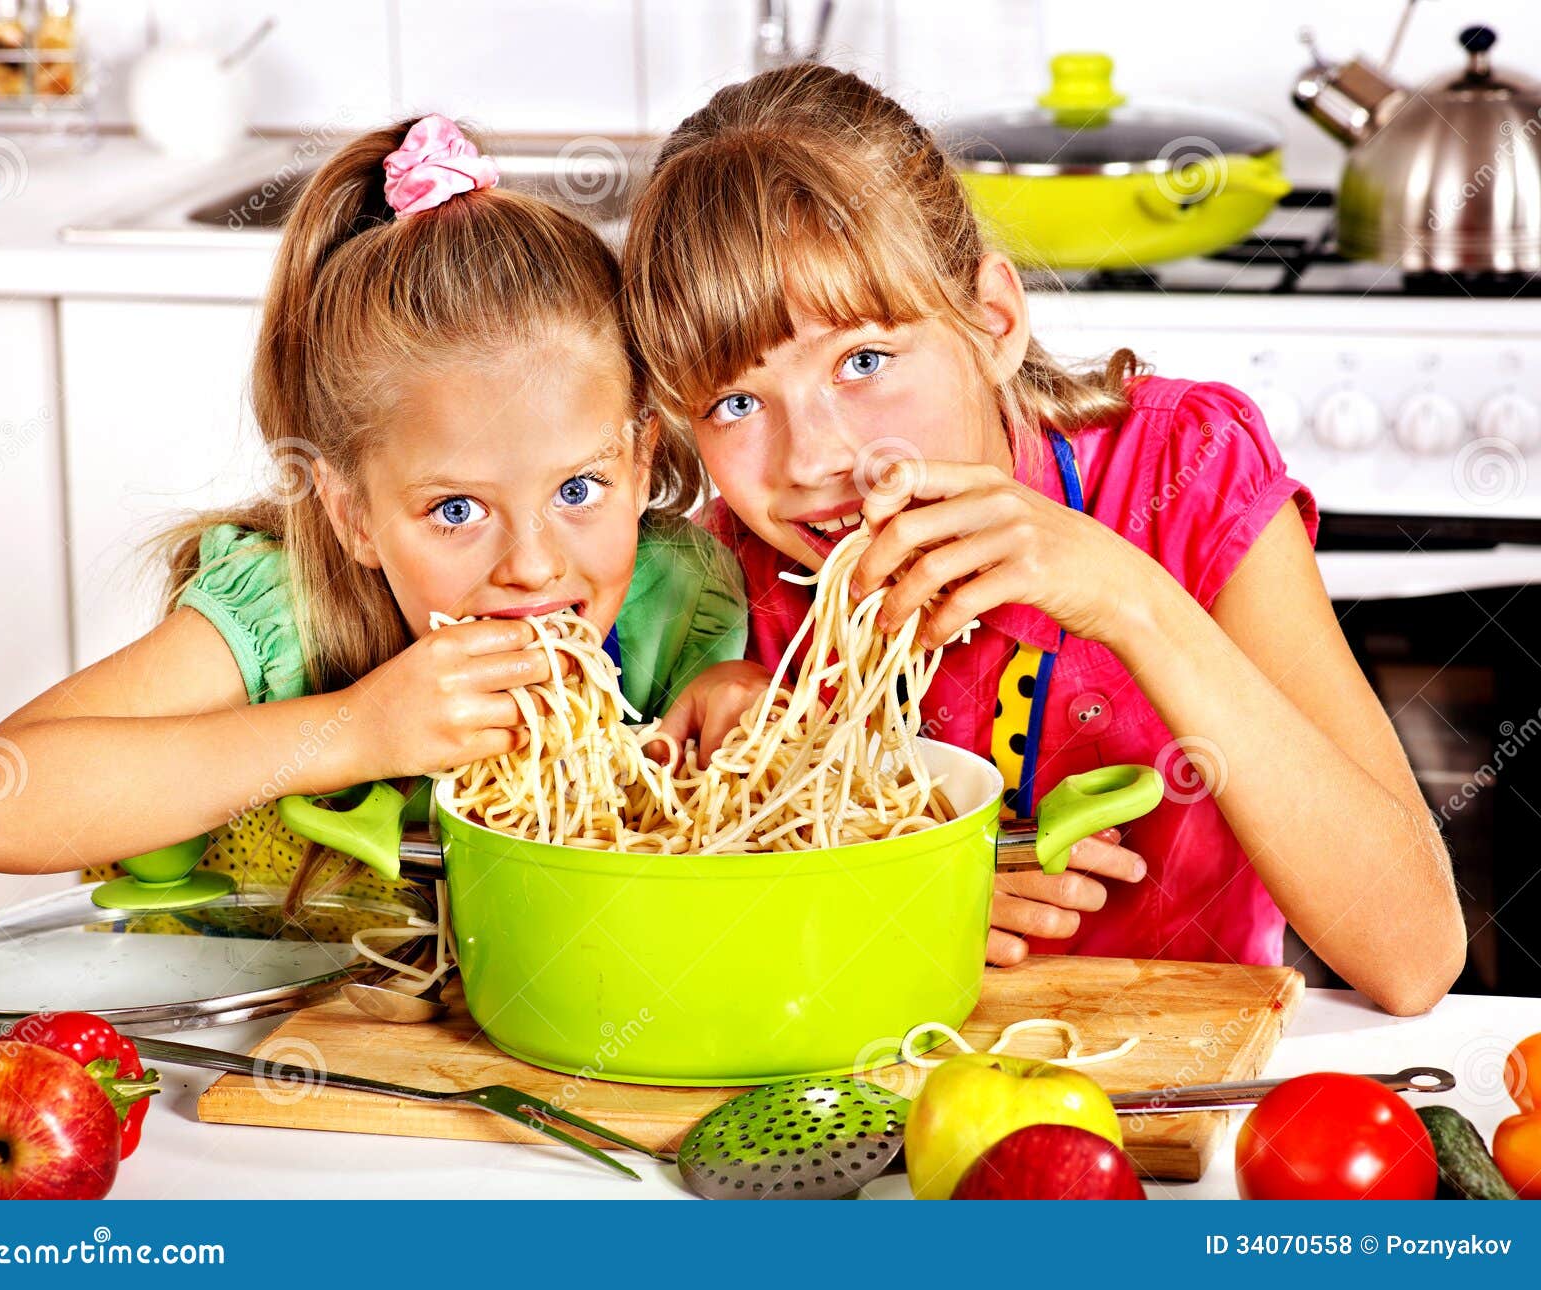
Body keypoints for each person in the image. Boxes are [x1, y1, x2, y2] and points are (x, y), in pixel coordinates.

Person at [623, 65, 1463, 1014]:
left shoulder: (1183, 472)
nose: (814, 459)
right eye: (736, 402)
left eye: (864, 360)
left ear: (992, 322)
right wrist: (877, 916)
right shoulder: (719, 583)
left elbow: (1415, 954)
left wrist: (1133, 600)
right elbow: (683, 974)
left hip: (1188, 1102)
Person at [0, 115, 745, 908]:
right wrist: (356, 730)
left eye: (576, 491)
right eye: (457, 509)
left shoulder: (681, 601)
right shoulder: (284, 614)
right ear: (353, 514)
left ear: (639, 466)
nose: (531, 565)